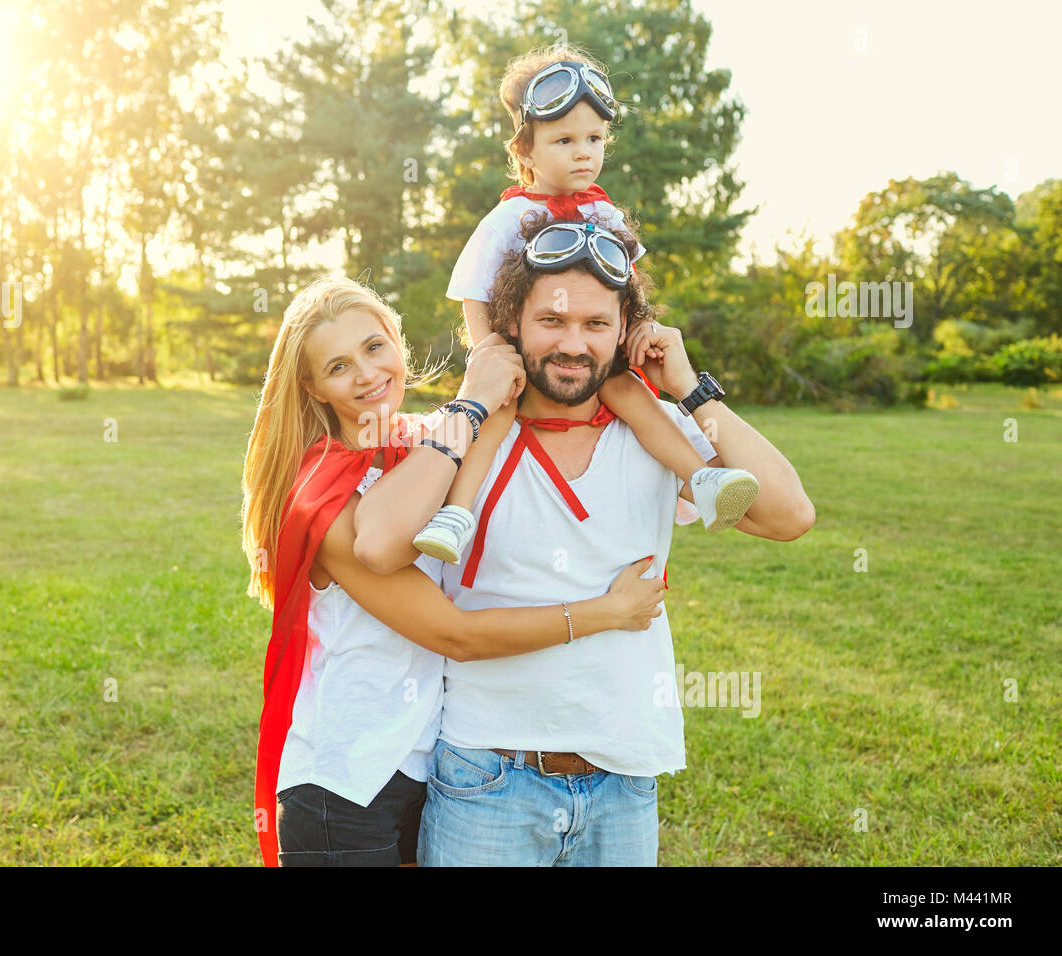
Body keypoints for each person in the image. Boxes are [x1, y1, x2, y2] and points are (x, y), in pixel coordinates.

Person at [362, 215, 816, 866]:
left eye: (596, 325)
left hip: (623, 778)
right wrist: (472, 397)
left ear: (625, 332)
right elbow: (379, 543)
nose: (573, 343)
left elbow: (789, 515)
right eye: (553, 320)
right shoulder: (462, 433)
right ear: (512, 321)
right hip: (487, 778)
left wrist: (689, 387)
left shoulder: (654, 430)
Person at [240, 276, 672, 867]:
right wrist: (608, 613)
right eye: (338, 366)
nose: (367, 374)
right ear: (311, 385)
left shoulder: (423, 443)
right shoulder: (321, 494)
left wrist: (613, 365)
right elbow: (454, 634)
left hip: (421, 764)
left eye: (374, 347)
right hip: (345, 782)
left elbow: (522, 401)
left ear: (397, 341)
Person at [413, 44, 760, 566]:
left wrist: (641, 327)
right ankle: (457, 515)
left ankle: (701, 479)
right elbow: (473, 292)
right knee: (497, 418)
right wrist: (488, 352)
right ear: (525, 151)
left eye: (594, 139)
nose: (583, 153)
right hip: (526, 354)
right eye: (565, 140)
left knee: (636, 400)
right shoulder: (507, 219)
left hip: (593, 350)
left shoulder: (603, 210)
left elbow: (630, 283)